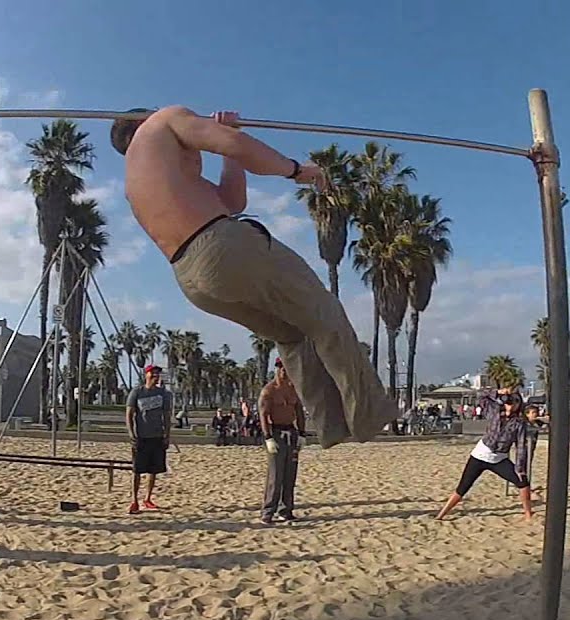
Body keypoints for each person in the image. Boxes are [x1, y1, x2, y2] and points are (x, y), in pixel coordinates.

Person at [109, 108, 396, 450]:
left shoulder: (138, 181)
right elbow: (235, 143)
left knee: (290, 335)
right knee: (324, 313)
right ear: (144, 118)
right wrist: (296, 170)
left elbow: (231, 200)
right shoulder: (163, 120)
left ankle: (332, 425)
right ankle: (369, 414)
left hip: (192, 278)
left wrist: (229, 150)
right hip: (222, 246)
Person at [435, 387, 535, 521]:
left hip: (499, 459)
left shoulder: (519, 423)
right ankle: (441, 514)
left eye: (515, 401)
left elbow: (521, 446)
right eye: (509, 401)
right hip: (480, 455)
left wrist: (520, 468)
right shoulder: (494, 411)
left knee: (523, 483)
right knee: (463, 487)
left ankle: (528, 514)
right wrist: (499, 392)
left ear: (519, 404)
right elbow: (480, 395)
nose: (511, 404)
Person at [259, 358, 305, 523]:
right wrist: (268, 437)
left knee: (290, 474)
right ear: (277, 369)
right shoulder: (269, 391)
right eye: (282, 368)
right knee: (275, 475)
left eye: (287, 368)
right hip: (276, 433)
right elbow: (263, 415)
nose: (285, 372)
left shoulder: (294, 390)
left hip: (291, 432)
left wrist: (301, 434)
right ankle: (268, 511)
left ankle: (286, 510)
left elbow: (299, 412)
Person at [125, 365, 173, 514]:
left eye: (158, 374)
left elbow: (166, 415)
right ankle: (134, 500)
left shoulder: (163, 394)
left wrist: (167, 435)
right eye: (153, 373)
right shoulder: (137, 392)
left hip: (157, 436)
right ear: (146, 374)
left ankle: (148, 498)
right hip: (141, 437)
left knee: (153, 470)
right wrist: (132, 434)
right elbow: (129, 414)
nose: (155, 376)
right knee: (137, 470)